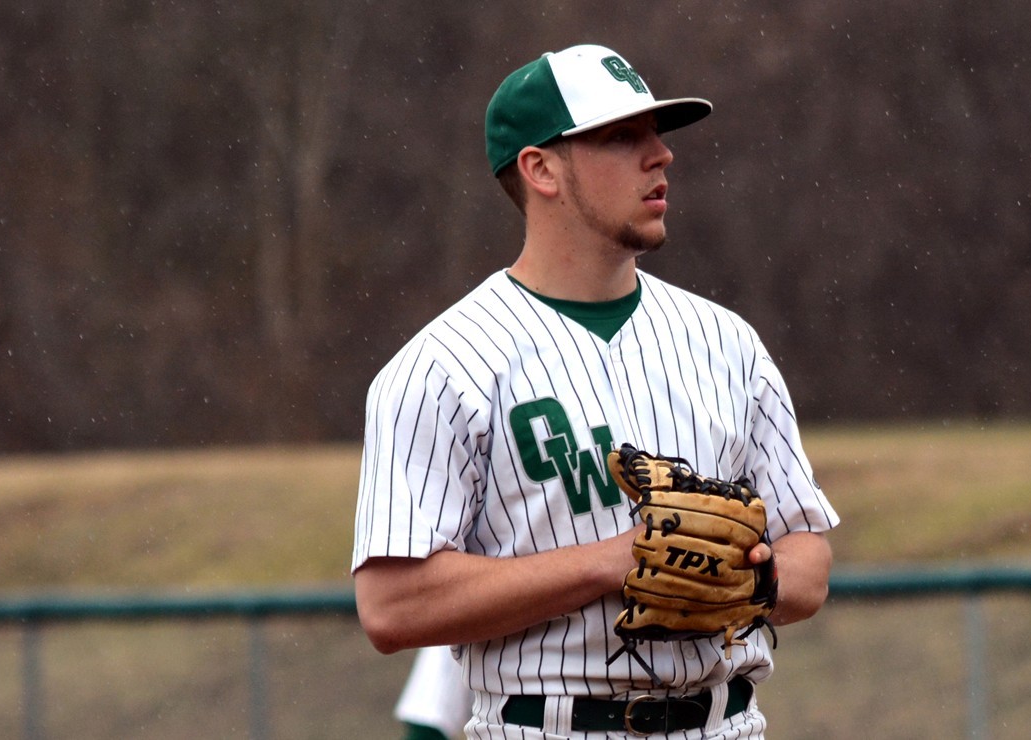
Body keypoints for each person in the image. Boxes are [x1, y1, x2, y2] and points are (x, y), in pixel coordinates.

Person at [353, 43, 839, 739]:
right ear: (540, 168)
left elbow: (810, 559)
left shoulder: (728, 344)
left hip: (727, 724)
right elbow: (393, 608)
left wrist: (754, 581)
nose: (660, 155)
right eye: (620, 137)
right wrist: (612, 562)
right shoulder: (442, 368)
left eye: (656, 134)